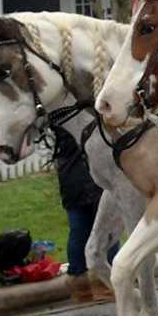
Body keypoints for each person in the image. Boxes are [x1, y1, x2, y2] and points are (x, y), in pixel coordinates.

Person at [53, 124, 113, 304]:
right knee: (106, 230)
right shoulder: (88, 125)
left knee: (78, 231)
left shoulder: (60, 124)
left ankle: (80, 284)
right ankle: (106, 283)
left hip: (70, 180)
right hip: (92, 181)